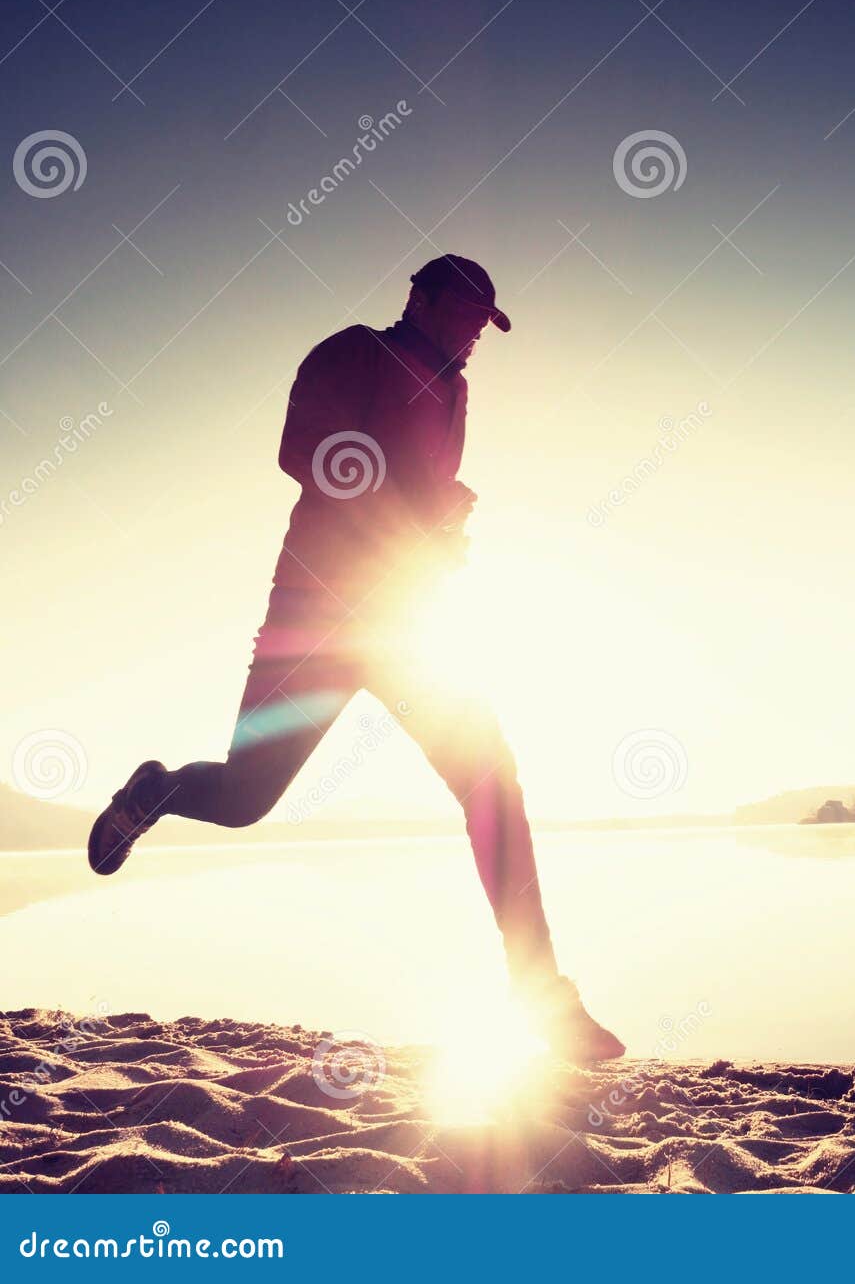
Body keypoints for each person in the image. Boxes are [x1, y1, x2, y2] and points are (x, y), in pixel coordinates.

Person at [86, 255, 624, 1063]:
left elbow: (411, 499)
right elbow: (306, 452)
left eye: (484, 324)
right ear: (420, 299)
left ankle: (543, 1000)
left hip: (406, 627)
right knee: (245, 798)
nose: (475, 334)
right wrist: (410, 510)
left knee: (491, 782)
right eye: (464, 314)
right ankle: (155, 792)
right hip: (314, 621)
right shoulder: (354, 352)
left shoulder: (455, 392)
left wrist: (442, 529)